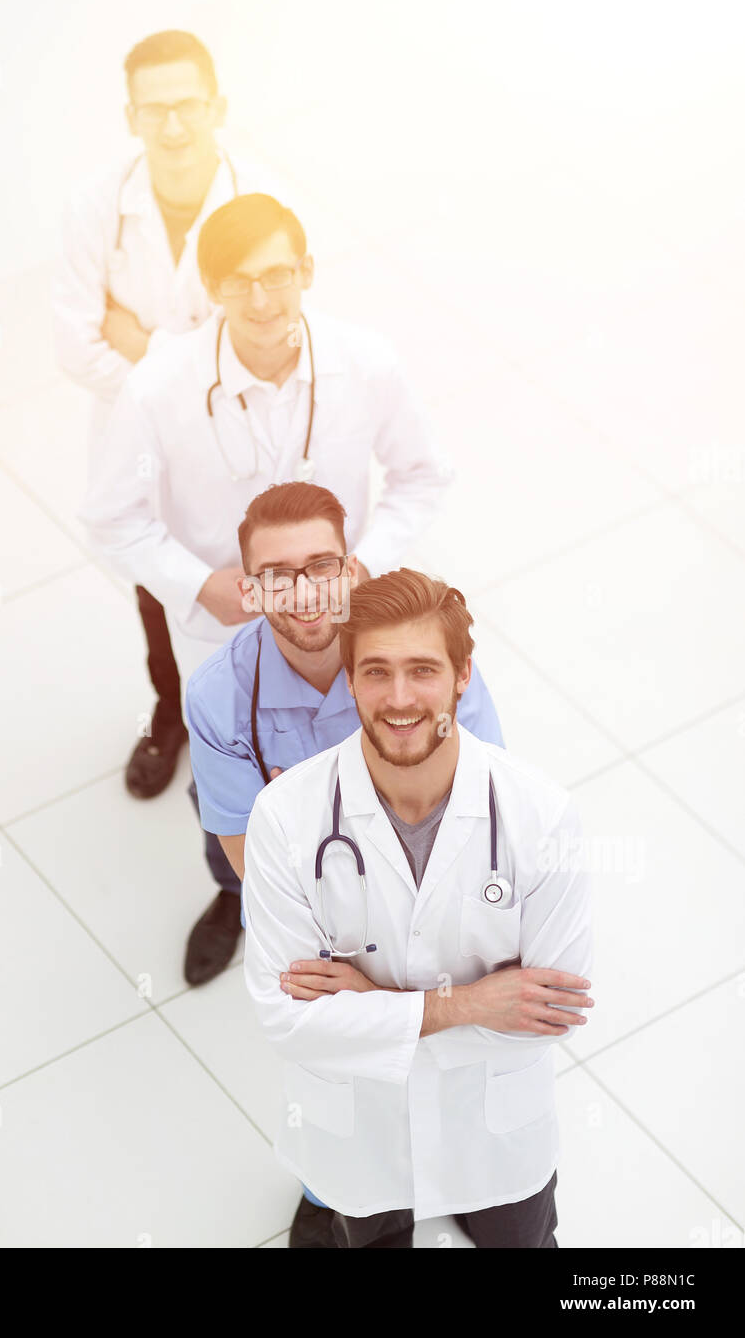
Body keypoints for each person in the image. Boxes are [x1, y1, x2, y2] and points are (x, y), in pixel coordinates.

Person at [80, 194, 453, 979]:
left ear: (307, 273)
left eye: (279, 274)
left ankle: (375, 889)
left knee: (364, 755)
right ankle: (236, 894)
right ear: (210, 291)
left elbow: (422, 475)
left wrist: (365, 565)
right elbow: (112, 518)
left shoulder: (367, 364)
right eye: (239, 281)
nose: (261, 298)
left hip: (346, 625)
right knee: (233, 783)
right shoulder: (158, 388)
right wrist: (200, 584)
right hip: (226, 633)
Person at [185, 483, 504, 1246]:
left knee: (454, 1060)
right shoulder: (221, 697)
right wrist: (354, 976)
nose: (303, 593)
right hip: (318, 932)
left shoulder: (416, 659)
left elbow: (485, 806)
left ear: (353, 567)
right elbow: (254, 864)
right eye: (277, 573)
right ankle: (328, 1192)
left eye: (321, 565)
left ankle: (455, 1171)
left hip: (434, 900)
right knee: (339, 1089)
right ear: (250, 585)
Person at [242, 568, 594, 1248]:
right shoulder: (287, 818)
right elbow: (285, 1017)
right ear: (349, 681)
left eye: (422, 670)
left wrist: (368, 1009)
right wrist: (464, 1005)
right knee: (371, 1234)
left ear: (464, 675)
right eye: (375, 672)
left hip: (495, 1126)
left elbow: (553, 1016)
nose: (398, 699)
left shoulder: (540, 815)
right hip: (360, 1128)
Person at [54, 29, 269, 800]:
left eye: (186, 105)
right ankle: (171, 713)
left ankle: (253, 720)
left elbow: (260, 340)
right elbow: (74, 347)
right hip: (137, 443)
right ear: (130, 117)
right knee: (152, 577)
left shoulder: (257, 202)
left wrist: (140, 341)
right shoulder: (96, 207)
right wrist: (183, 364)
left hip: (241, 434)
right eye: (154, 110)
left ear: (217, 107)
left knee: (246, 577)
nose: (172, 126)